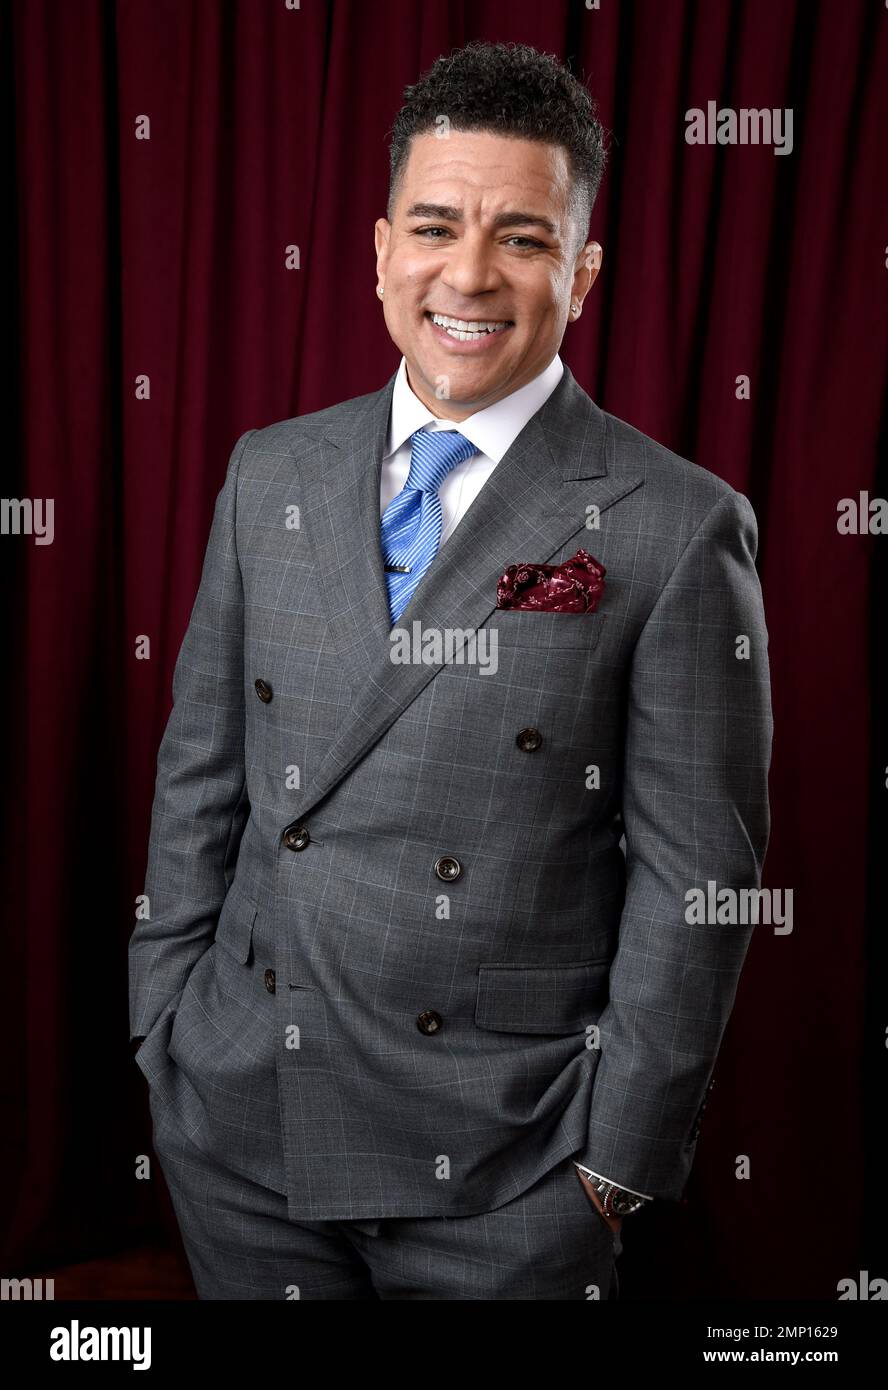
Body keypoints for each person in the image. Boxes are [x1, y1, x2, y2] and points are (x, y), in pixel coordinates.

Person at [129, 40, 772, 1301]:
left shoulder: (677, 525)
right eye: (435, 226)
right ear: (378, 252)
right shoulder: (272, 471)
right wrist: (166, 1028)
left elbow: (701, 879)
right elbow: (198, 775)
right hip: (243, 1121)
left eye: (524, 238)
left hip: (508, 1170)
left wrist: (614, 1168)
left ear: (583, 273)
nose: (469, 273)